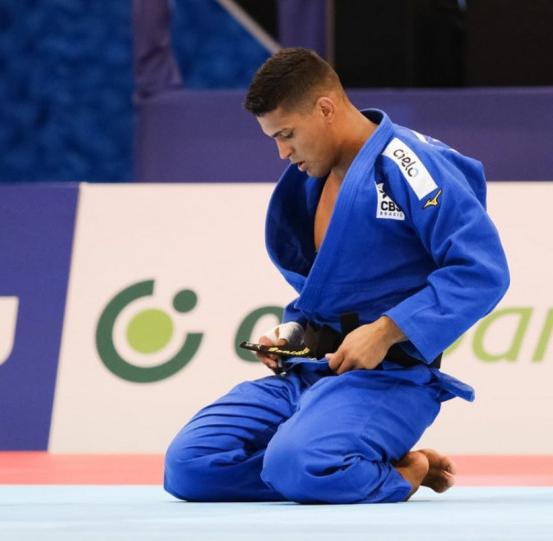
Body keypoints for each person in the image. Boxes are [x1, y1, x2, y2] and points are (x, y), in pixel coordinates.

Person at [164, 48, 509, 504]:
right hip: (312, 372)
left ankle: (404, 470)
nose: (282, 152)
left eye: (287, 134)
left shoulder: (411, 165)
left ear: (325, 108)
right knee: (190, 465)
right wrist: (293, 334)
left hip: (388, 380)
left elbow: (481, 271)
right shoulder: (309, 180)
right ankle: (340, 463)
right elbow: (329, 291)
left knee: (297, 463)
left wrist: (385, 331)